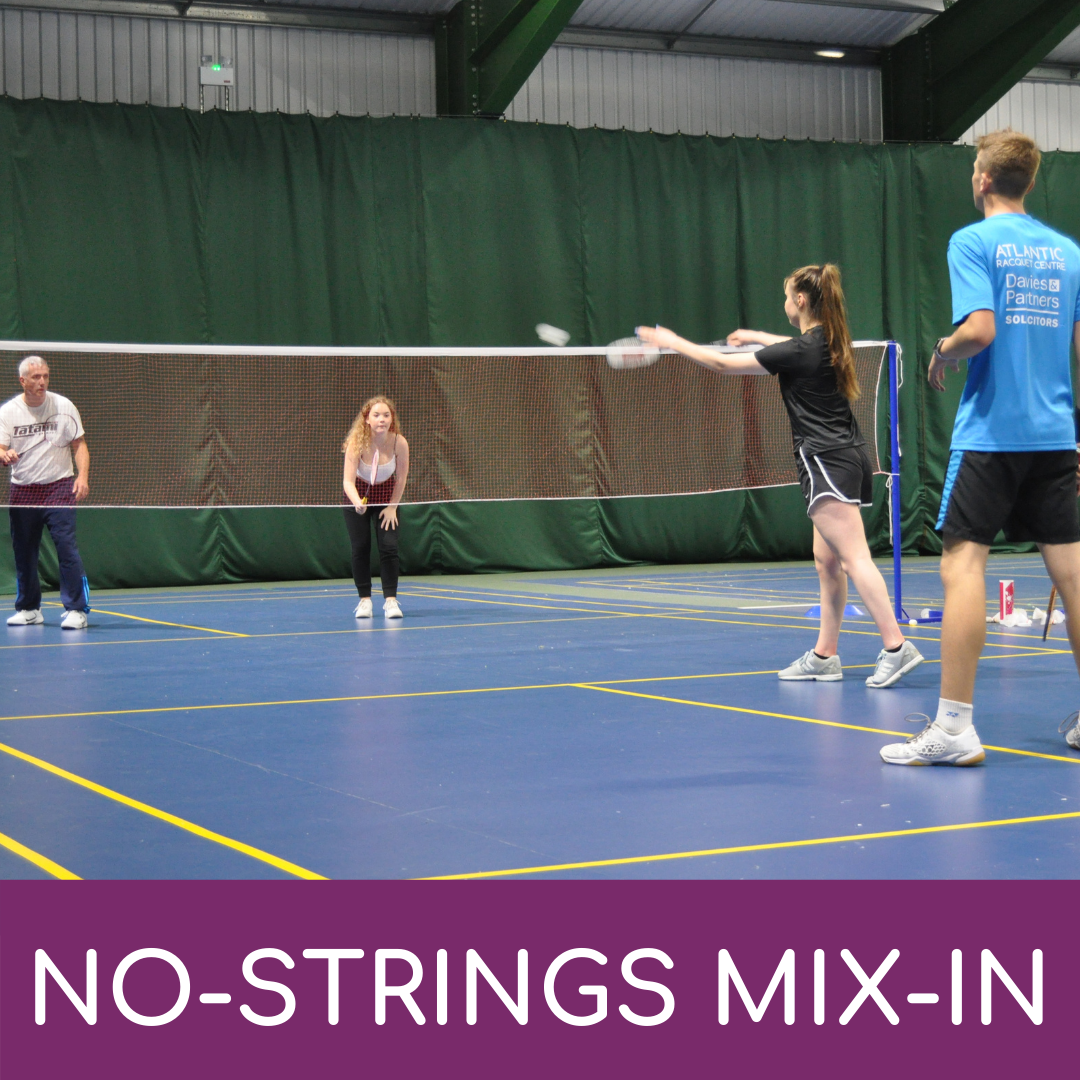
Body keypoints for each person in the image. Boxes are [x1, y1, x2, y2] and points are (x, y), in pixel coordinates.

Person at [879, 130, 1080, 767]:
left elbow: (981, 330)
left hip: (992, 434)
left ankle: (954, 728)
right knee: (1074, 575)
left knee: (962, 567)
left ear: (984, 180)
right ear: (1030, 182)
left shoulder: (971, 242)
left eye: (974, 169)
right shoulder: (1069, 253)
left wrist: (943, 350)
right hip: (1056, 435)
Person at [638, 264, 923, 689]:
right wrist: (756, 336)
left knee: (853, 559)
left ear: (801, 301)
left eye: (787, 296)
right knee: (828, 562)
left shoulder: (801, 350)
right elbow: (791, 347)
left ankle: (897, 647)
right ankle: (825, 656)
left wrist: (672, 341)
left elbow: (720, 365)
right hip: (847, 458)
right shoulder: (829, 338)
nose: (785, 303)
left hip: (825, 461)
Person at [0, 356, 91, 629]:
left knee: (66, 547)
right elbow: (0, 447)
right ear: (22, 381)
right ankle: (29, 608)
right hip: (23, 489)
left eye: (45, 376)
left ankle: (77, 609)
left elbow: (79, 444)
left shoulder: (63, 406)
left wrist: (82, 477)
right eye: (36, 377)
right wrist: (5, 454)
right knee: (24, 551)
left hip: (59, 486)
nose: (42, 381)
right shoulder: (8, 412)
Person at [342, 396, 410, 619]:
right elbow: (348, 482)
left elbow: (401, 478)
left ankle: (391, 601)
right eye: (376, 415)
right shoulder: (356, 443)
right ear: (367, 419)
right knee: (360, 548)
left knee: (389, 547)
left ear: (392, 419)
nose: (382, 419)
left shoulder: (399, 442)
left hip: (387, 496)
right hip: (357, 495)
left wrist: (392, 507)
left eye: (386, 415)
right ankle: (365, 601)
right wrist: (357, 502)